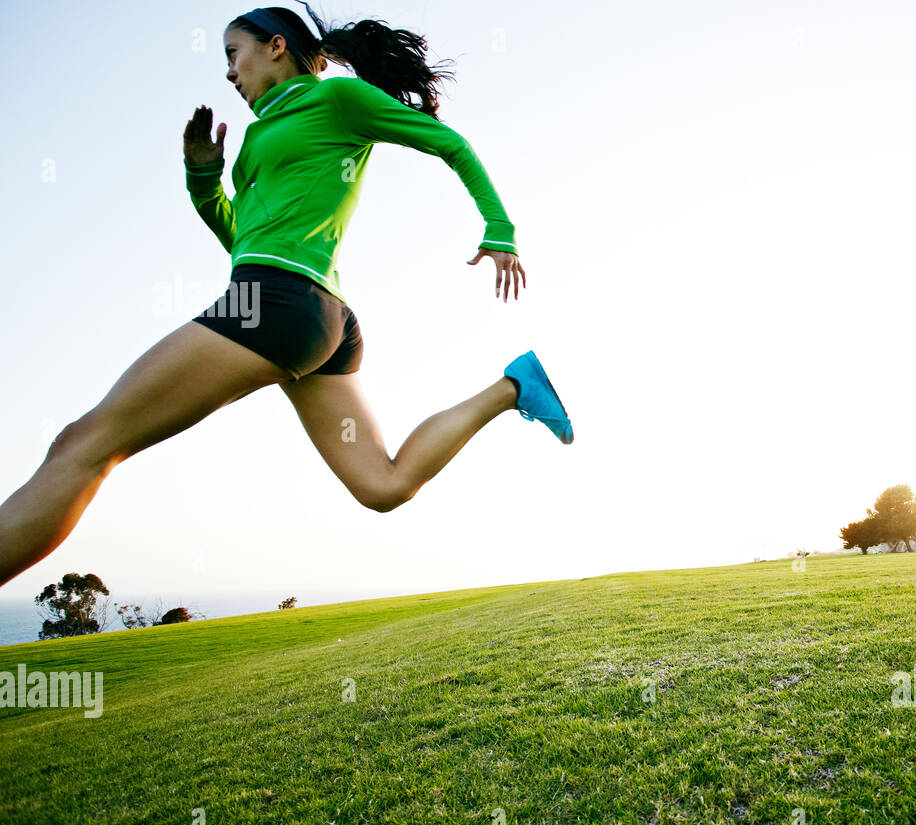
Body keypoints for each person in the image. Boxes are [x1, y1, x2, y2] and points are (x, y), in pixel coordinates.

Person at [0, 3, 572, 589]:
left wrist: (499, 229)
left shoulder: (338, 100)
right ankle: (514, 386)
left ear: (275, 46)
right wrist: (203, 177)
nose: (228, 73)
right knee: (383, 486)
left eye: (232, 53)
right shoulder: (252, 141)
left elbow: (449, 144)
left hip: (277, 302)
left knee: (85, 443)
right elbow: (241, 241)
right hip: (316, 319)